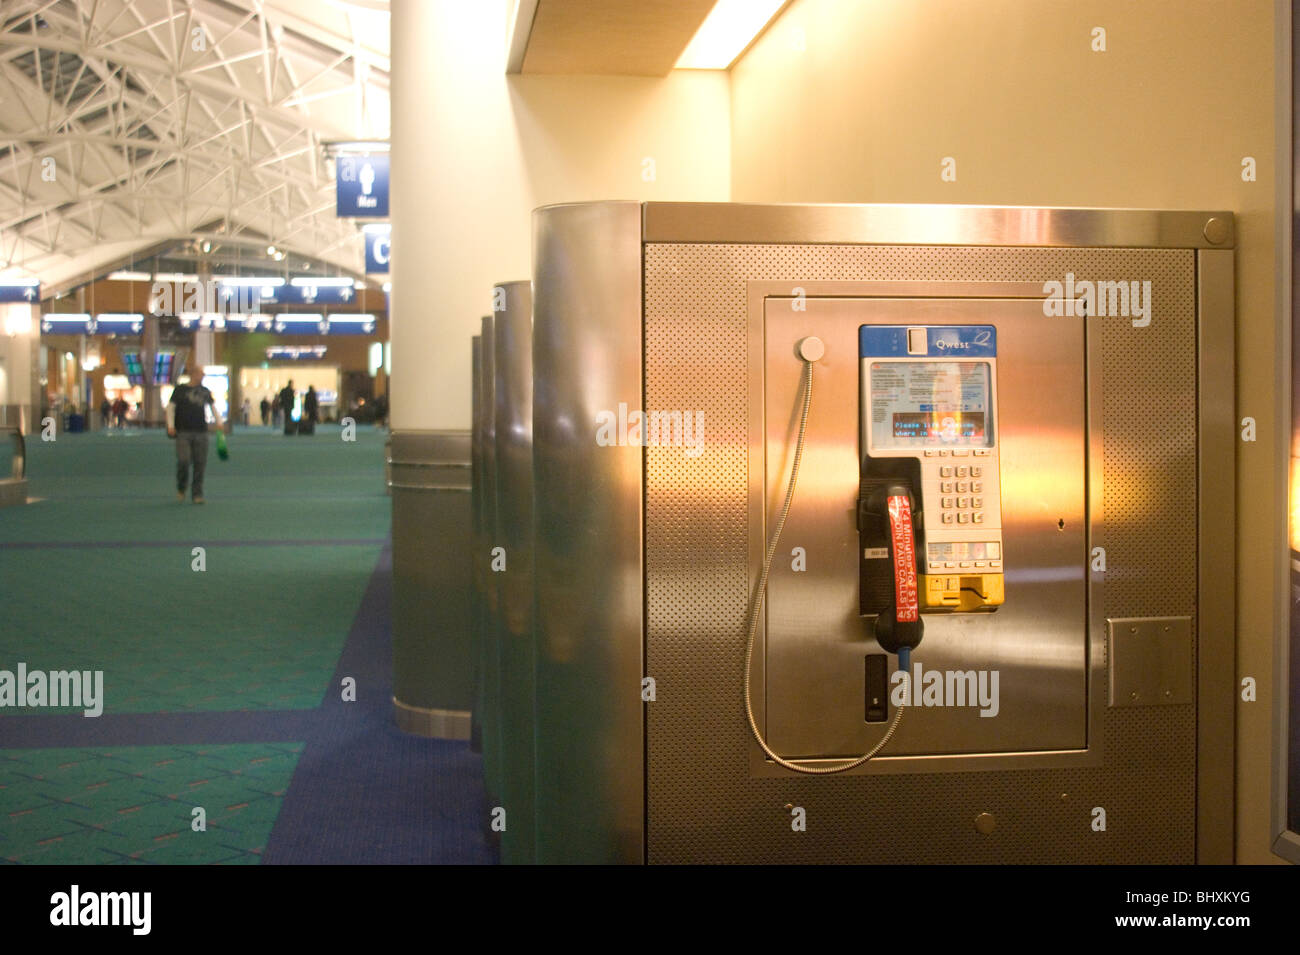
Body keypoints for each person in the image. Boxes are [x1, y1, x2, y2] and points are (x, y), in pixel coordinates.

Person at [167, 374, 221, 504]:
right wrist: (170, 425)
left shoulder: (204, 391)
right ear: (193, 373)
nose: (201, 376)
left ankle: (197, 494)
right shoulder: (180, 390)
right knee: (183, 461)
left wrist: (219, 422)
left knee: (200, 463)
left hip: (201, 432)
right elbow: (171, 408)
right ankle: (181, 487)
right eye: (200, 374)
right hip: (183, 432)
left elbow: (213, 407)